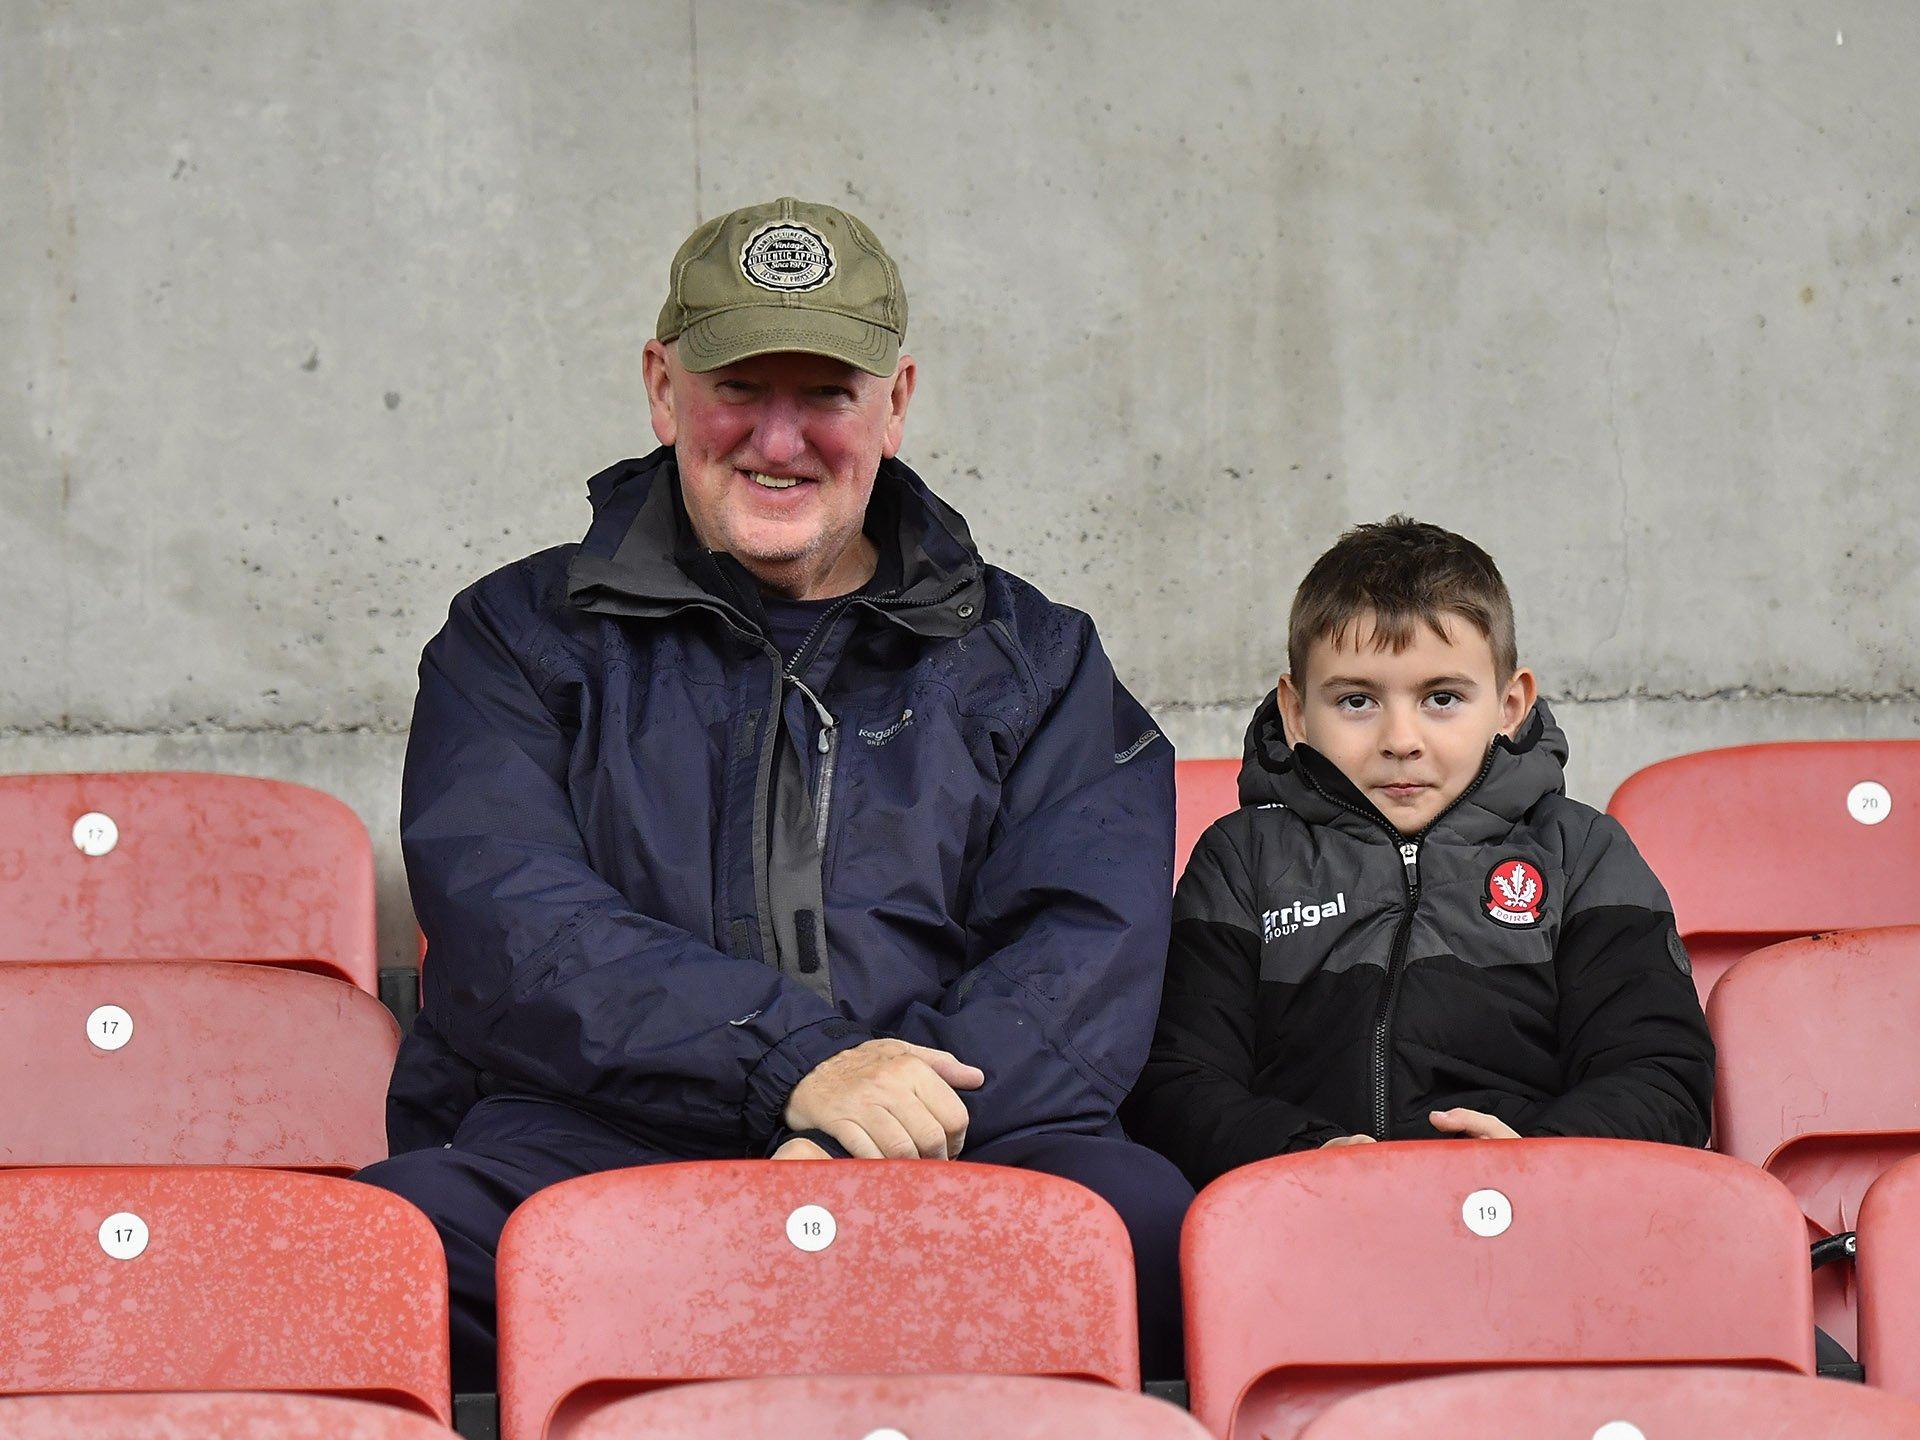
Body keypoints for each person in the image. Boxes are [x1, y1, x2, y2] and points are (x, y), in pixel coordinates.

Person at [356, 197, 1192, 1387]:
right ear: (662, 387)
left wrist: (874, 1129)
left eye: (827, 397)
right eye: (741, 388)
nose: (780, 441)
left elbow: (1084, 951)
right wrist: (793, 1063)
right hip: (598, 1139)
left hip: (961, 1135)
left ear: (895, 404)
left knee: (1149, 1235)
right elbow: (514, 928)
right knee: (386, 1255)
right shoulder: (516, 637)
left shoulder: (1037, 658)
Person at [1123, 516, 1714, 1188]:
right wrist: (1302, 1155)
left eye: (1441, 698)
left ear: (1510, 703)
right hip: (1299, 1216)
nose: (1400, 739)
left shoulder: (1580, 853)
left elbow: (1662, 1075)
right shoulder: (1243, 861)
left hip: (1538, 1215)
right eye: (1355, 700)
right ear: (1294, 712)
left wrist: (1538, 1153)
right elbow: (1175, 1080)